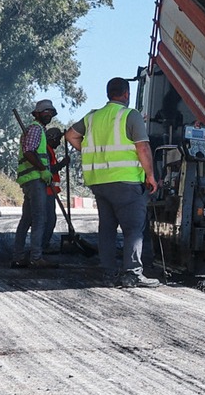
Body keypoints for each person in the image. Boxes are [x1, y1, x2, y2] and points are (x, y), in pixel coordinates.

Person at [65, 77, 159, 287]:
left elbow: (70, 135)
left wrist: (89, 152)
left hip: (99, 183)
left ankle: (108, 273)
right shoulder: (130, 115)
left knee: (107, 228)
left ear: (109, 94)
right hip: (125, 181)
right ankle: (132, 273)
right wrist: (150, 175)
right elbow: (142, 148)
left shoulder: (92, 117)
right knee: (133, 228)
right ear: (126, 94)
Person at [9, 99, 62, 268]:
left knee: (27, 219)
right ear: (37, 114)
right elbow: (29, 152)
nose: (49, 115)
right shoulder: (35, 129)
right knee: (40, 219)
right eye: (45, 112)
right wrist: (43, 170)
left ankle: (18, 257)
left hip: (32, 179)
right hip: (35, 179)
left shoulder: (37, 130)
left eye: (50, 113)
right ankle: (36, 257)